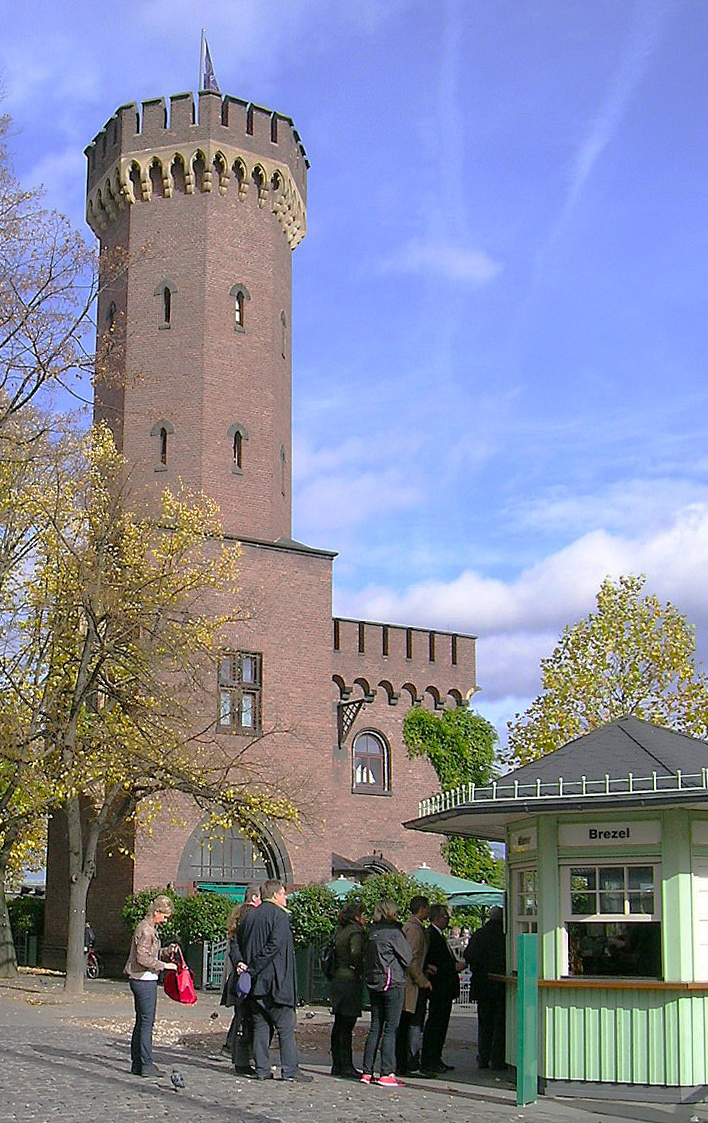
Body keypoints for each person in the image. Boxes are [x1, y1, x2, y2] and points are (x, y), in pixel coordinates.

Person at [238, 878, 313, 1083]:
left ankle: (262, 1068)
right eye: (283, 893)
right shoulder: (279, 917)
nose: (285, 897)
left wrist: (247, 969)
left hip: (256, 984)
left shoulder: (249, 917)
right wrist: (255, 967)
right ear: (275, 895)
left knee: (261, 1026)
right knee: (285, 1027)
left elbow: (239, 943)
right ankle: (290, 1070)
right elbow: (274, 946)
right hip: (276, 982)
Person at [124, 894, 178, 1077]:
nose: (165, 920)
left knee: (141, 1022)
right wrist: (165, 966)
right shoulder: (147, 930)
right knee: (147, 1023)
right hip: (144, 979)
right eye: (164, 916)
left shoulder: (146, 928)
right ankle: (146, 1064)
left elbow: (149, 954)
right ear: (156, 912)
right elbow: (143, 958)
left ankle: (138, 1063)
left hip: (140, 978)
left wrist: (165, 951)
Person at [360, 899, 412, 1087]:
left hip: (374, 982)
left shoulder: (372, 933)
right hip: (393, 983)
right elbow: (407, 958)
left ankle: (366, 1071)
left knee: (375, 1027)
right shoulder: (394, 933)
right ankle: (386, 1072)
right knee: (390, 1029)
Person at [220, 882, 262, 1073]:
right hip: (246, 974)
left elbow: (234, 945)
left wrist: (237, 962)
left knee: (240, 1014)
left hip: (239, 973)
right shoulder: (251, 916)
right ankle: (239, 1053)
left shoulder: (238, 914)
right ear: (254, 898)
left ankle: (232, 1048)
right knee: (245, 1016)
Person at [420, 903, 464, 1076]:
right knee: (436, 1025)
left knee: (440, 1025)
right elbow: (435, 961)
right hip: (439, 987)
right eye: (446, 916)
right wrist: (453, 967)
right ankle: (430, 1060)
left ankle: (436, 1058)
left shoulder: (437, 935)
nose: (448, 920)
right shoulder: (431, 935)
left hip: (443, 987)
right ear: (438, 918)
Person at [464, 906, 506, 1070]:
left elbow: (469, 955)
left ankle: (483, 1056)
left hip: (482, 983)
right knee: (500, 1023)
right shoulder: (505, 936)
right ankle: (498, 1058)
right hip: (501, 984)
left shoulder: (480, 934)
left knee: (485, 1022)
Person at [395, 895, 431, 1076]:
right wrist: (422, 980)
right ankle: (410, 1062)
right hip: (411, 985)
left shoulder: (408, 927)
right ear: (422, 909)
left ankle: (404, 1062)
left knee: (405, 1024)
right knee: (412, 1024)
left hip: (407, 981)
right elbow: (412, 958)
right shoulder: (415, 930)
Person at [329, 901, 365, 1078]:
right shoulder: (355, 932)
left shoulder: (340, 930)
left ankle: (337, 1063)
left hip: (337, 978)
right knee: (347, 1025)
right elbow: (356, 954)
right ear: (358, 916)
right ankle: (346, 1064)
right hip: (349, 981)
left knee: (339, 1024)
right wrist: (360, 970)